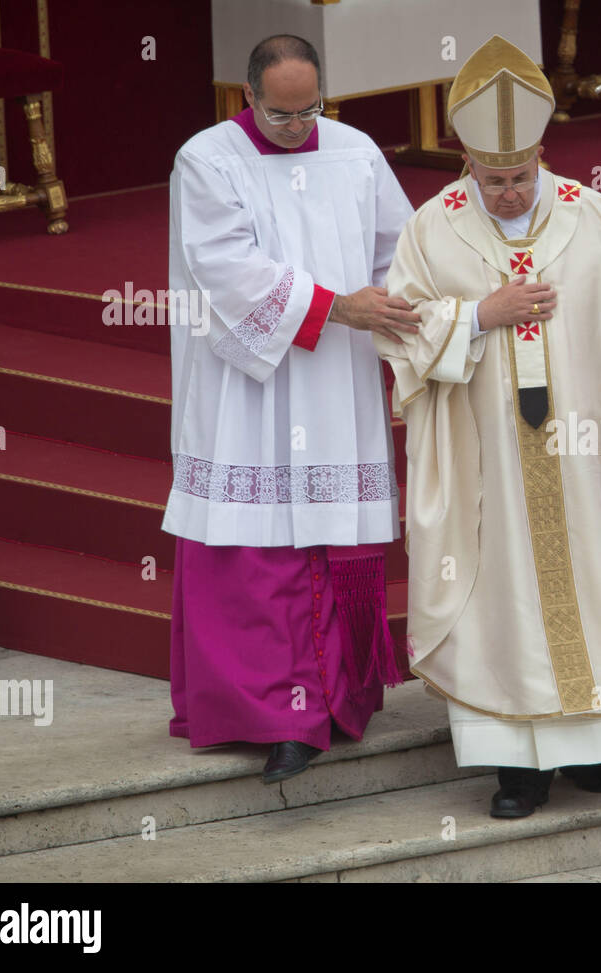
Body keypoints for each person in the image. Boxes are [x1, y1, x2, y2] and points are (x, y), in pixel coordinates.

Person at [378, 34, 601, 818]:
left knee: (596, 578)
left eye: (520, 176)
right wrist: (483, 314)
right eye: (495, 179)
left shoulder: (596, 215)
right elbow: (399, 326)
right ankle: (514, 763)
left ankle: (598, 748)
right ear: (468, 163)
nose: (511, 191)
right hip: (490, 463)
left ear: (542, 155)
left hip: (585, 453)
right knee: (503, 599)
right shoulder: (432, 227)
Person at [163, 34, 419, 783]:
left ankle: (339, 699)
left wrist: (404, 312)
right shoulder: (206, 160)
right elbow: (224, 269)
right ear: (248, 98)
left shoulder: (355, 151)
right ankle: (275, 714)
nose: (300, 125)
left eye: (312, 108)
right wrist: (339, 306)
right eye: (282, 114)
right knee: (259, 547)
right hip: (251, 387)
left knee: (330, 538)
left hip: (336, 382)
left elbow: (399, 249)